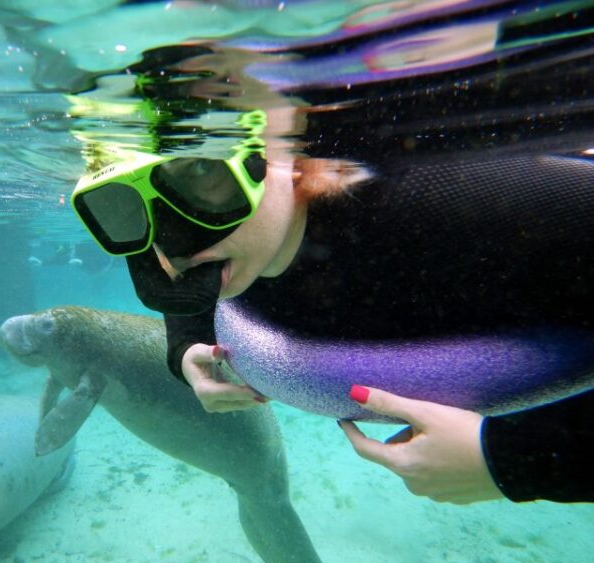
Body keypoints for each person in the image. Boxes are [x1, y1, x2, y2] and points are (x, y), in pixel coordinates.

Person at [69, 112, 594, 505]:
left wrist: (511, 459)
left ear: (281, 161)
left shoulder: (448, 202)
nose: (171, 250)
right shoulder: (218, 245)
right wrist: (186, 348)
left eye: (203, 171)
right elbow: (178, 278)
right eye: (123, 204)